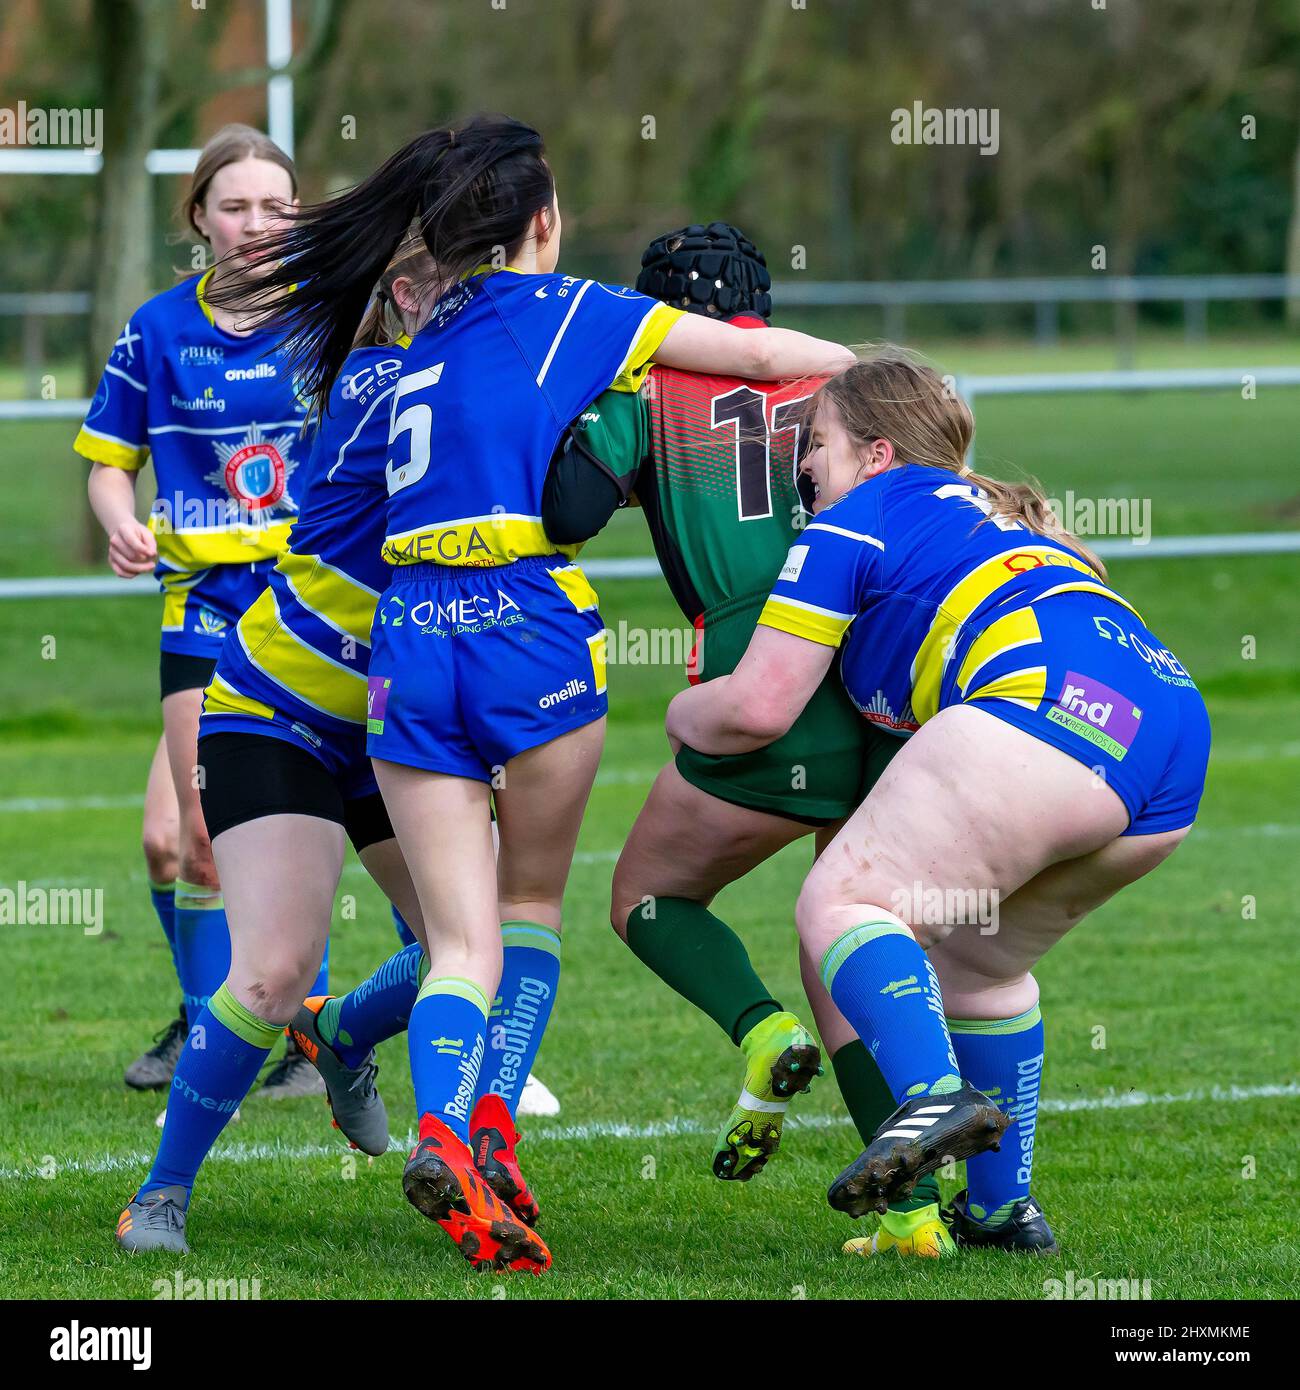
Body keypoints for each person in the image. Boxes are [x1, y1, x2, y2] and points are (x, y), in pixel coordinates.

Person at [221, 114, 855, 1273]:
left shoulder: (416, 345)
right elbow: (764, 359)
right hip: (524, 627)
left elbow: (332, 522)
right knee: (528, 912)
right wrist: (890, 381)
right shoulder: (571, 311)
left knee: (454, 941)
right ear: (541, 225)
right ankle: (487, 1132)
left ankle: (436, 1134)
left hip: (409, 639)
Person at [665, 352, 1211, 1252]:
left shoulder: (858, 517)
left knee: (839, 903)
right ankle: (1001, 1210)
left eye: (821, 442)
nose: (806, 464)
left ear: (875, 454)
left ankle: (930, 1098)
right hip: (1169, 738)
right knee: (978, 967)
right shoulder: (1001, 514)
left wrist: (679, 712)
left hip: (1044, 707)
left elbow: (756, 708)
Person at [542, 223, 949, 1257]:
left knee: (645, 898)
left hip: (765, 668)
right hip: (892, 672)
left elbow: (565, 507)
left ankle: (760, 1030)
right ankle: (914, 1212)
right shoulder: (843, 387)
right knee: (846, 945)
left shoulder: (649, 386)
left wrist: (592, 421)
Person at [79, 124, 327, 1103]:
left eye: (275, 205)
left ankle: (349, 1025)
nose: (256, 222)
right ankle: (214, 1026)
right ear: (199, 218)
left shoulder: (331, 320)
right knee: (181, 836)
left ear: (297, 214)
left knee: (382, 807)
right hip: (203, 605)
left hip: (311, 608)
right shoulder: (156, 328)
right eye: (234, 205)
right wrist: (119, 520)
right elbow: (109, 461)